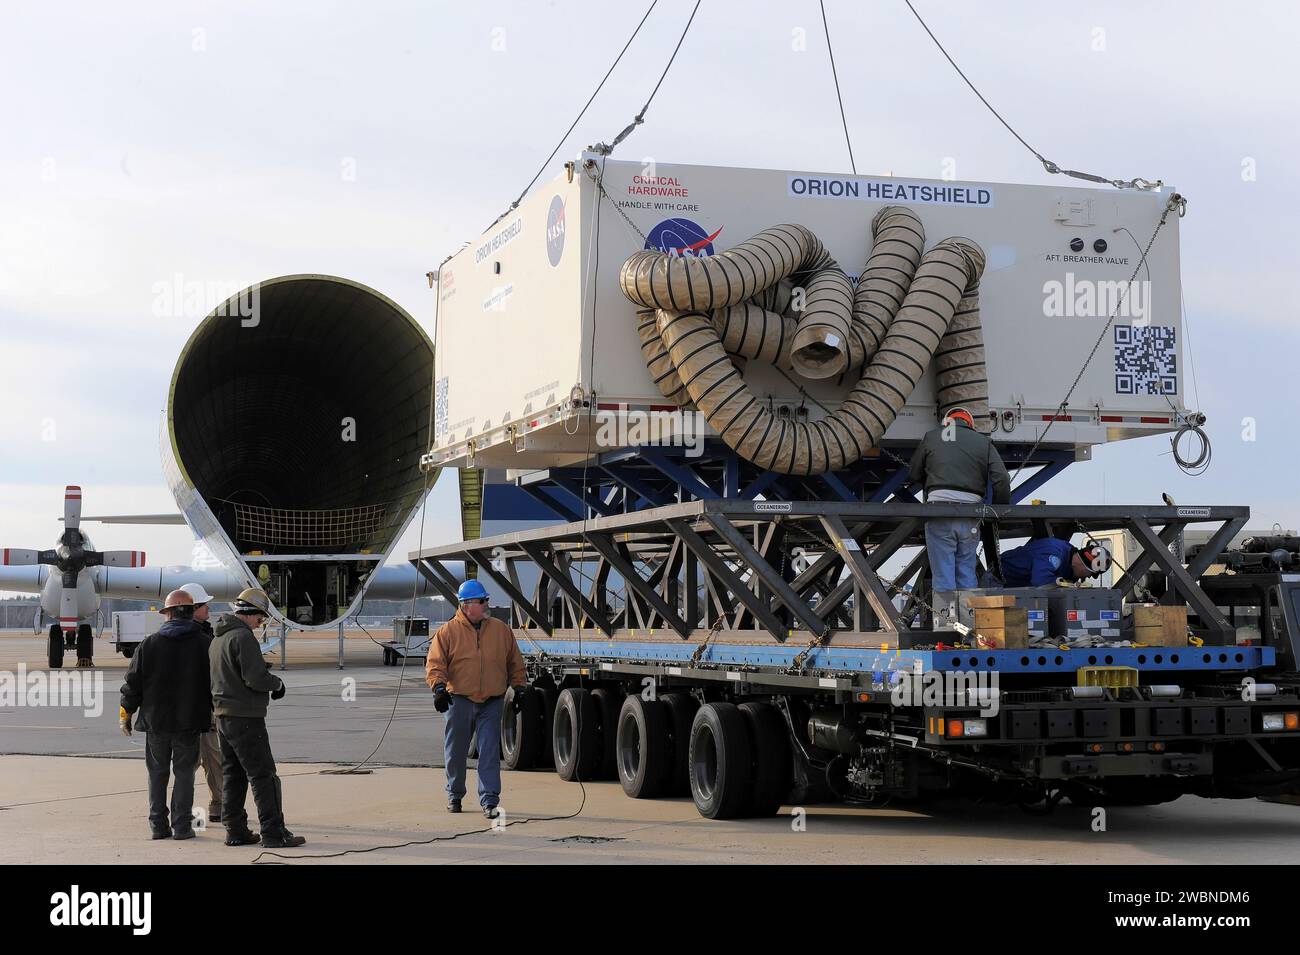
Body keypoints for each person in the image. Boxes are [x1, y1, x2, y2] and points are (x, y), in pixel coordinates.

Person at [209, 588, 305, 849]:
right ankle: (274, 833)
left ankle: (235, 830)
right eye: (260, 618)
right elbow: (254, 679)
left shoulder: (219, 638)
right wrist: (277, 684)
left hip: (223, 716)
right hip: (246, 717)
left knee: (233, 775)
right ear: (250, 614)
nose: (260, 623)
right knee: (264, 775)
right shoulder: (243, 637)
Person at [426, 579, 528, 818]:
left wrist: (520, 688)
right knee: (456, 752)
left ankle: (490, 800)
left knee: (490, 751)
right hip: (459, 700)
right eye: (481, 601)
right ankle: (455, 794)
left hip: (492, 700)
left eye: (486, 600)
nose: (486, 605)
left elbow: (515, 662)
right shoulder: (447, 632)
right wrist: (439, 688)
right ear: (466, 605)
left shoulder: (501, 630)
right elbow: (435, 664)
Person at [119, 589, 213, 840]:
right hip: (189, 722)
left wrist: (125, 712)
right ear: (191, 612)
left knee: (157, 773)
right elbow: (214, 684)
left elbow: (132, 683)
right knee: (184, 774)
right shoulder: (204, 644)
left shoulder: (149, 644)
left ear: (168, 613)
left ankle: (158, 826)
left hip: (156, 723)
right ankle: (182, 827)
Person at [908, 407, 1012, 629]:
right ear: (970, 424)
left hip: (939, 512)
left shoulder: (932, 437)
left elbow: (914, 473)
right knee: (966, 572)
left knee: (943, 574)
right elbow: (1001, 477)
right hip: (970, 514)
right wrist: (1001, 508)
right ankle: (969, 628)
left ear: (947, 423)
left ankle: (946, 628)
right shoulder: (982, 442)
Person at [180, 582, 223, 825]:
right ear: (193, 608)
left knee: (206, 759)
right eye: (204, 605)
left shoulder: (203, 634)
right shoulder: (202, 638)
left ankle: (214, 805)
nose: (209, 608)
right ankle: (212, 805)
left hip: (191, 709)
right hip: (201, 709)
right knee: (207, 758)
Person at [1000, 538, 1112, 588]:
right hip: (997, 579)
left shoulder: (1069, 567)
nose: (1087, 577)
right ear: (1084, 567)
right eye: (1090, 574)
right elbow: (1040, 581)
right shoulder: (1054, 552)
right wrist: (1069, 586)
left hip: (1015, 587)